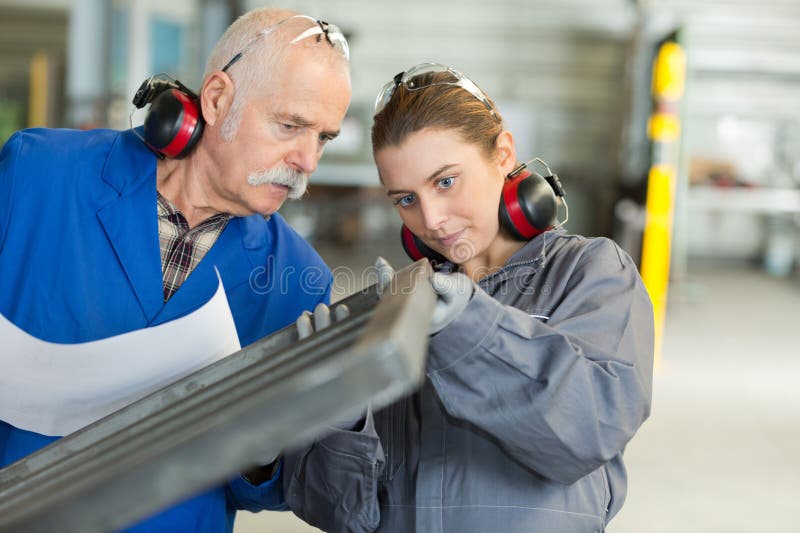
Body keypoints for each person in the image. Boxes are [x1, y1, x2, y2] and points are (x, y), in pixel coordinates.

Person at [0, 7, 351, 532]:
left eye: (323, 136)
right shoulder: (38, 175)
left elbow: (272, 486)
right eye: (290, 125)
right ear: (216, 99)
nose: (308, 160)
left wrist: (263, 446)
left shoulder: (297, 280)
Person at [283, 63, 655, 532]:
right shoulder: (401, 309)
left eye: (445, 182)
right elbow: (344, 516)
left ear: (503, 155)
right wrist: (339, 416)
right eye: (405, 199)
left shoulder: (591, 273)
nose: (432, 219)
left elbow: (587, 430)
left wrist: (466, 328)